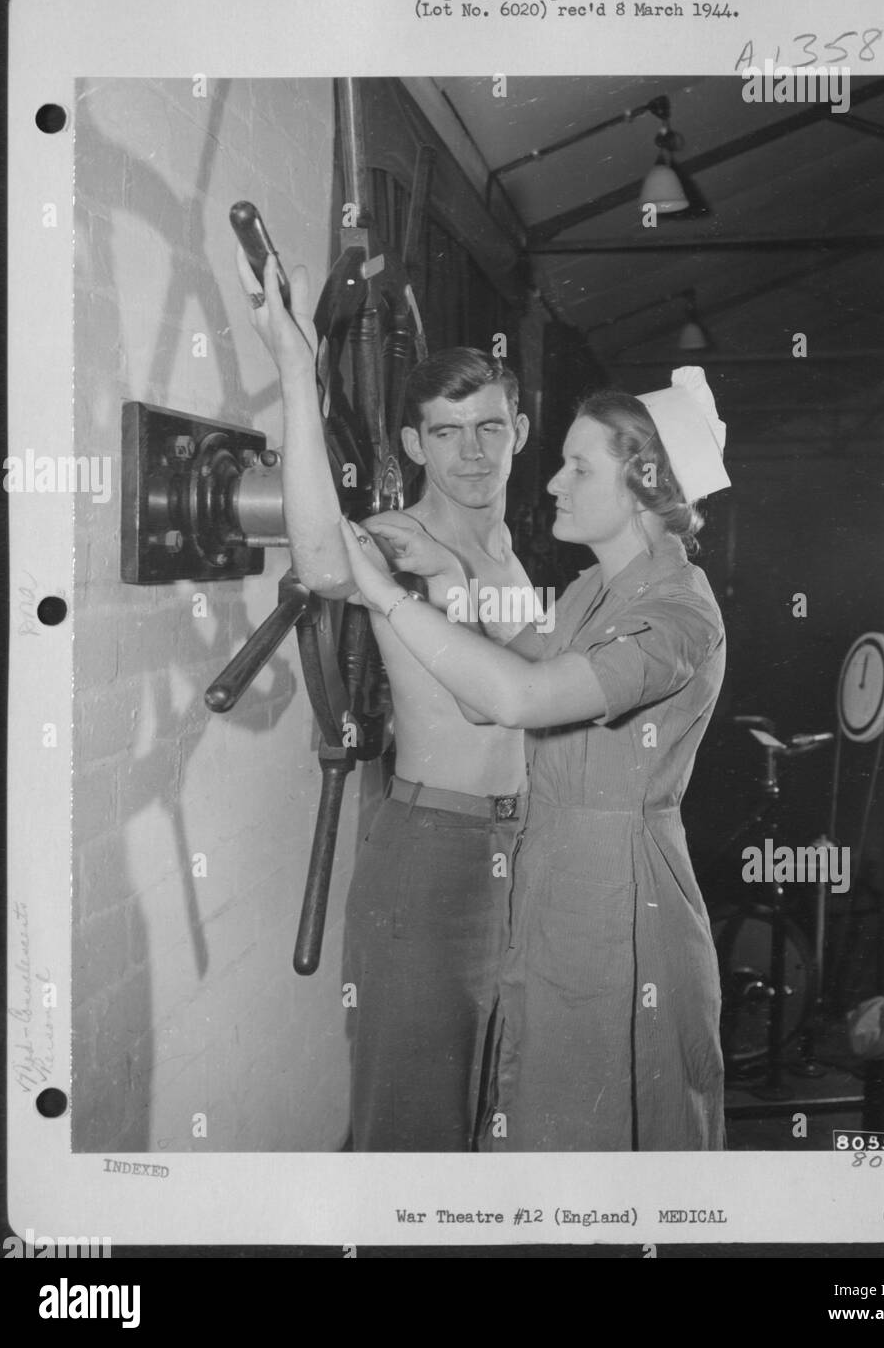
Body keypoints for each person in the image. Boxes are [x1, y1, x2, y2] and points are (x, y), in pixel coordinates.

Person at [339, 369, 731, 1151]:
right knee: (533, 1116)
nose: (552, 479)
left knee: (600, 1134)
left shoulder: (675, 615)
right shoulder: (597, 590)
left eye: (580, 468)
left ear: (646, 487)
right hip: (552, 878)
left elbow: (519, 698)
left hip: (617, 901)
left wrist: (386, 597)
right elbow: (509, 667)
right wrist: (448, 576)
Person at [237, 247, 538, 1152]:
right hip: (433, 853)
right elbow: (325, 562)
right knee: (412, 1129)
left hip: (517, 850)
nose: (472, 451)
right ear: (413, 446)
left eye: (488, 426)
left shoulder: (510, 551)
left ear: (520, 429)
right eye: (446, 433)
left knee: (489, 1116)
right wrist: (298, 371)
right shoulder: (401, 541)